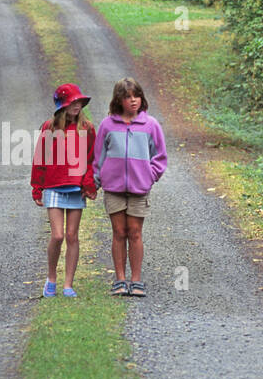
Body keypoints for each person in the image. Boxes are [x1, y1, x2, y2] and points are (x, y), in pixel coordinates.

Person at [94, 78, 166, 297]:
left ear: (141, 98)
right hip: (114, 188)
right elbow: (98, 157)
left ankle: (136, 280)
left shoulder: (151, 125)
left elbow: (160, 157)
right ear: (119, 100)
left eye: (136, 96)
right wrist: (96, 181)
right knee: (118, 232)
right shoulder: (107, 125)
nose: (133, 100)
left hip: (139, 188)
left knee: (134, 232)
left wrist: (149, 176)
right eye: (127, 97)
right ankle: (120, 280)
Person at [31, 82, 97, 297]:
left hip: (76, 188)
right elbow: (40, 158)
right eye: (72, 102)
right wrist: (37, 187)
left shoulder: (87, 128)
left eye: (79, 102)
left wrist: (89, 183)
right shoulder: (49, 127)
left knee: (72, 236)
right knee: (57, 235)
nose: (76, 106)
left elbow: (92, 159)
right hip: (53, 186)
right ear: (62, 106)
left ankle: (68, 284)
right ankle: (51, 278)